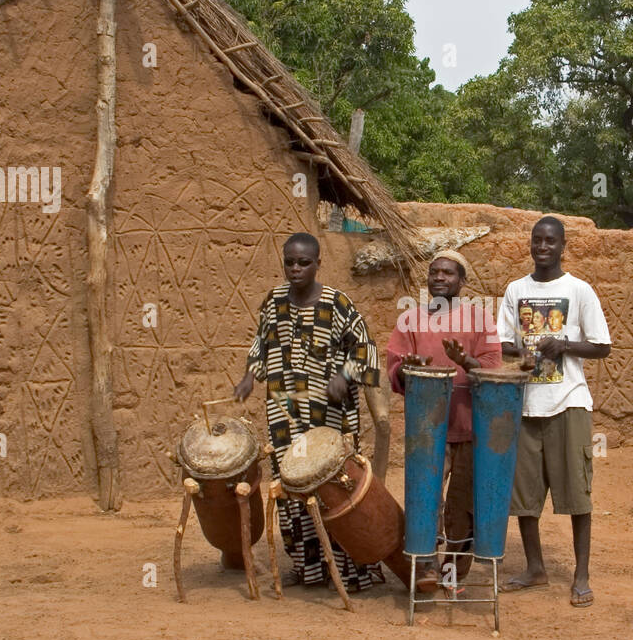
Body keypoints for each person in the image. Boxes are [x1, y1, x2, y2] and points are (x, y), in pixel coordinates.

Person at [234, 232, 384, 591]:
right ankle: (310, 570)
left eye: (304, 262)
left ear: (319, 263)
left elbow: (366, 351)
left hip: (330, 416)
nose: (296, 268)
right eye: (290, 262)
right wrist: (249, 377)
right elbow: (261, 343)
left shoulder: (338, 305)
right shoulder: (273, 303)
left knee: (334, 486)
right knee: (292, 484)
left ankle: (349, 569)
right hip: (285, 413)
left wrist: (344, 375)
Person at [496, 216, 612, 607]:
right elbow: (501, 345)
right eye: (537, 240)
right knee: (524, 494)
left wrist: (563, 346)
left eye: (550, 241)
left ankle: (581, 575)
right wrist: (522, 352)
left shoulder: (579, 291)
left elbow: (601, 346)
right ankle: (535, 568)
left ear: (563, 247)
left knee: (577, 492)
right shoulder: (515, 290)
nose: (542, 246)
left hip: (568, 403)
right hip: (525, 405)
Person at [386, 251, 502, 592]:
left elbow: (492, 366)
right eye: (434, 272)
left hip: (469, 427)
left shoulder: (480, 320)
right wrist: (410, 369)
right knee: (425, 497)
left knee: (462, 505)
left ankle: (454, 573)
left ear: (461, 281)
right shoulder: (410, 321)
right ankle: (425, 567)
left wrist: (463, 360)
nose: (439, 277)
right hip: (427, 429)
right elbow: (394, 367)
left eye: (448, 273)